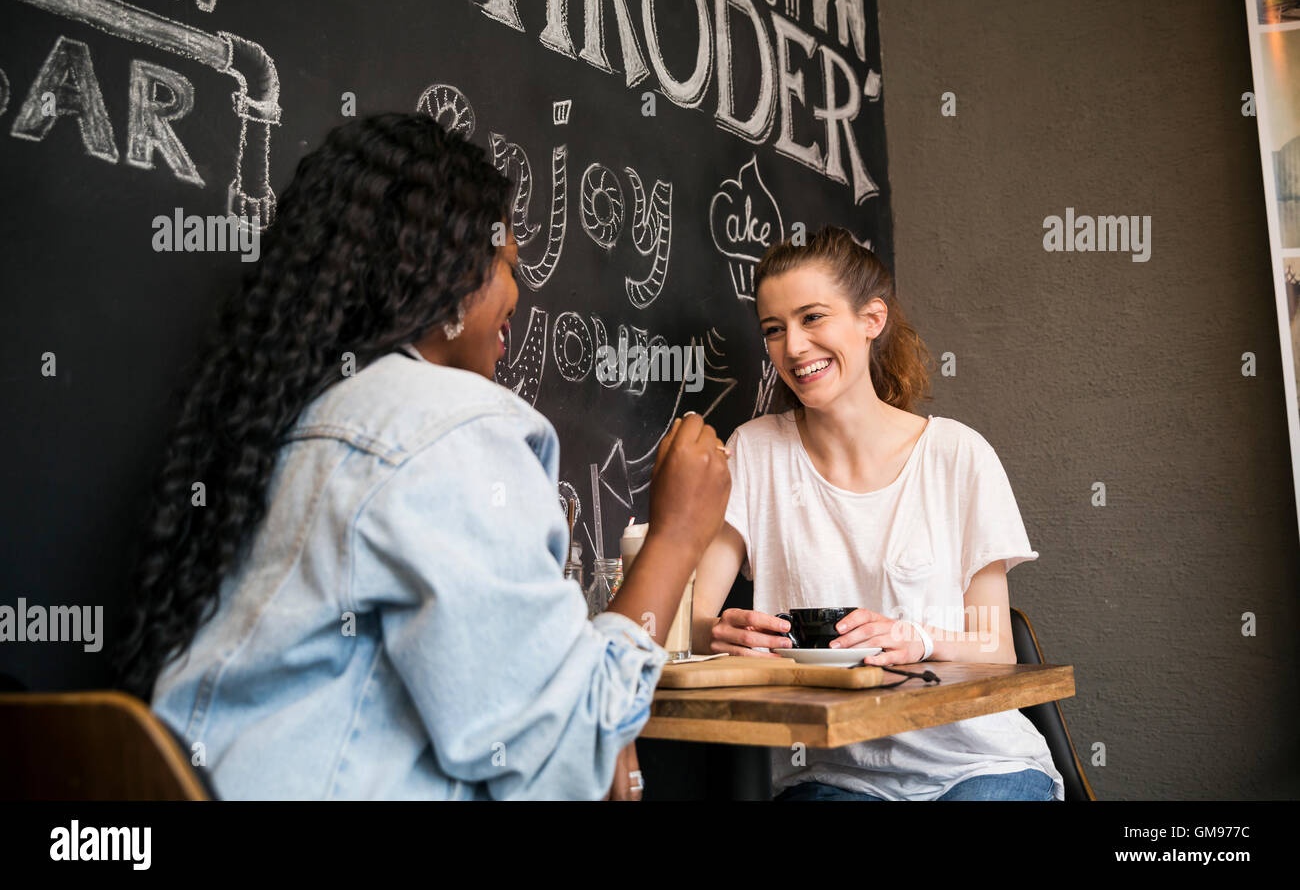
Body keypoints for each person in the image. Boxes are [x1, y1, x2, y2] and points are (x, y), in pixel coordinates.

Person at [113, 113, 730, 800]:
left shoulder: (287, 419)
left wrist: (600, 727)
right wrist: (677, 535)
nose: (517, 300)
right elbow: (565, 764)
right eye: (508, 267)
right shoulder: (442, 424)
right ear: (448, 270)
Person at [691, 226, 1064, 801]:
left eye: (812, 318)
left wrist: (915, 637)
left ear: (871, 319)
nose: (792, 347)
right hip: (836, 776)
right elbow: (690, 624)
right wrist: (718, 633)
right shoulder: (754, 451)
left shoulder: (957, 454)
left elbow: (996, 646)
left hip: (979, 764)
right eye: (773, 330)